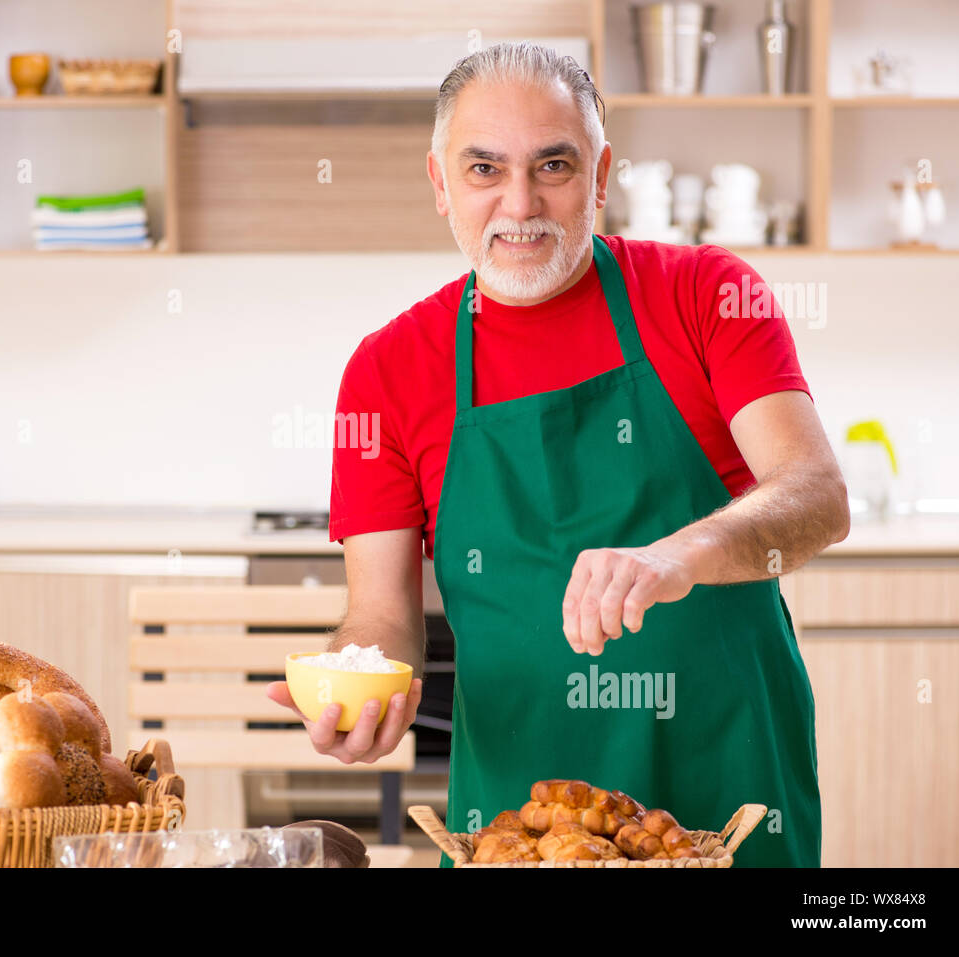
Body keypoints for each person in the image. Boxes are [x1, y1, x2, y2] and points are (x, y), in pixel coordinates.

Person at [267, 41, 849, 867]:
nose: (520, 202)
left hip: (731, 786)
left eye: (553, 164)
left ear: (602, 174)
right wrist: (358, 687)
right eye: (483, 169)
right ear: (439, 183)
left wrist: (682, 553)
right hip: (519, 821)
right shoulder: (387, 370)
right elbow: (382, 615)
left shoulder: (707, 293)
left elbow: (818, 495)